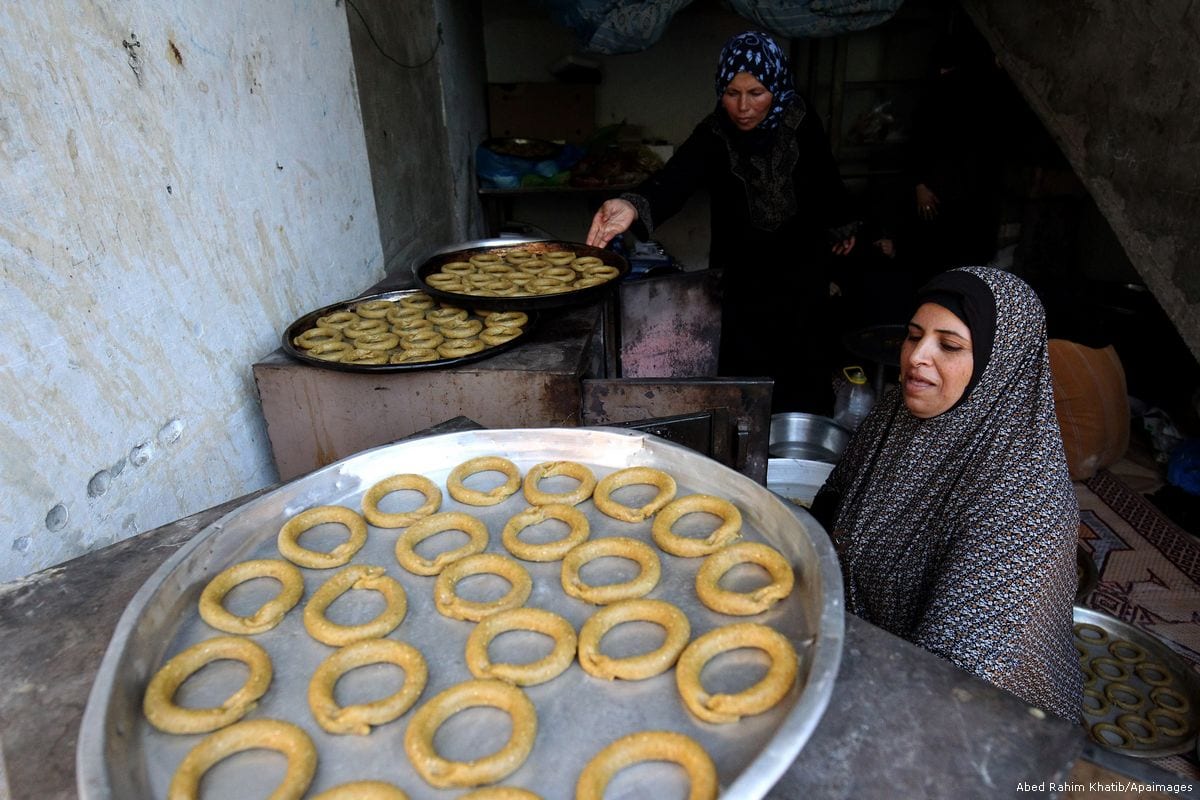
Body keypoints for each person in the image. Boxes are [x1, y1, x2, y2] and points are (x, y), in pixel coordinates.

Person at [810, 266, 1083, 721]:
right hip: (865, 650)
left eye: (949, 346)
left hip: (975, 727)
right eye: (913, 336)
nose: (917, 356)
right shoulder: (899, 411)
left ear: (1002, 365)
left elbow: (956, 680)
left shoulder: (1025, 499)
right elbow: (834, 501)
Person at [586, 31, 859, 414]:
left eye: (756, 93)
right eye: (732, 93)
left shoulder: (800, 118)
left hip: (801, 269)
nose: (743, 107)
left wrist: (842, 223)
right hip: (743, 275)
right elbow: (677, 177)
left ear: (776, 88)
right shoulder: (715, 133)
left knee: (804, 366)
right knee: (743, 379)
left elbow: (825, 176)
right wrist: (632, 205)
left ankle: (799, 451)